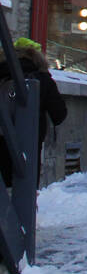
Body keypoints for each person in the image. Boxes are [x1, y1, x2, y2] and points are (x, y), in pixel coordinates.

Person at [0, 38, 68, 188]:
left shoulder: (2, 73)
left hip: (2, 135)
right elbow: (59, 114)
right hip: (29, 140)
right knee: (25, 186)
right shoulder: (41, 78)